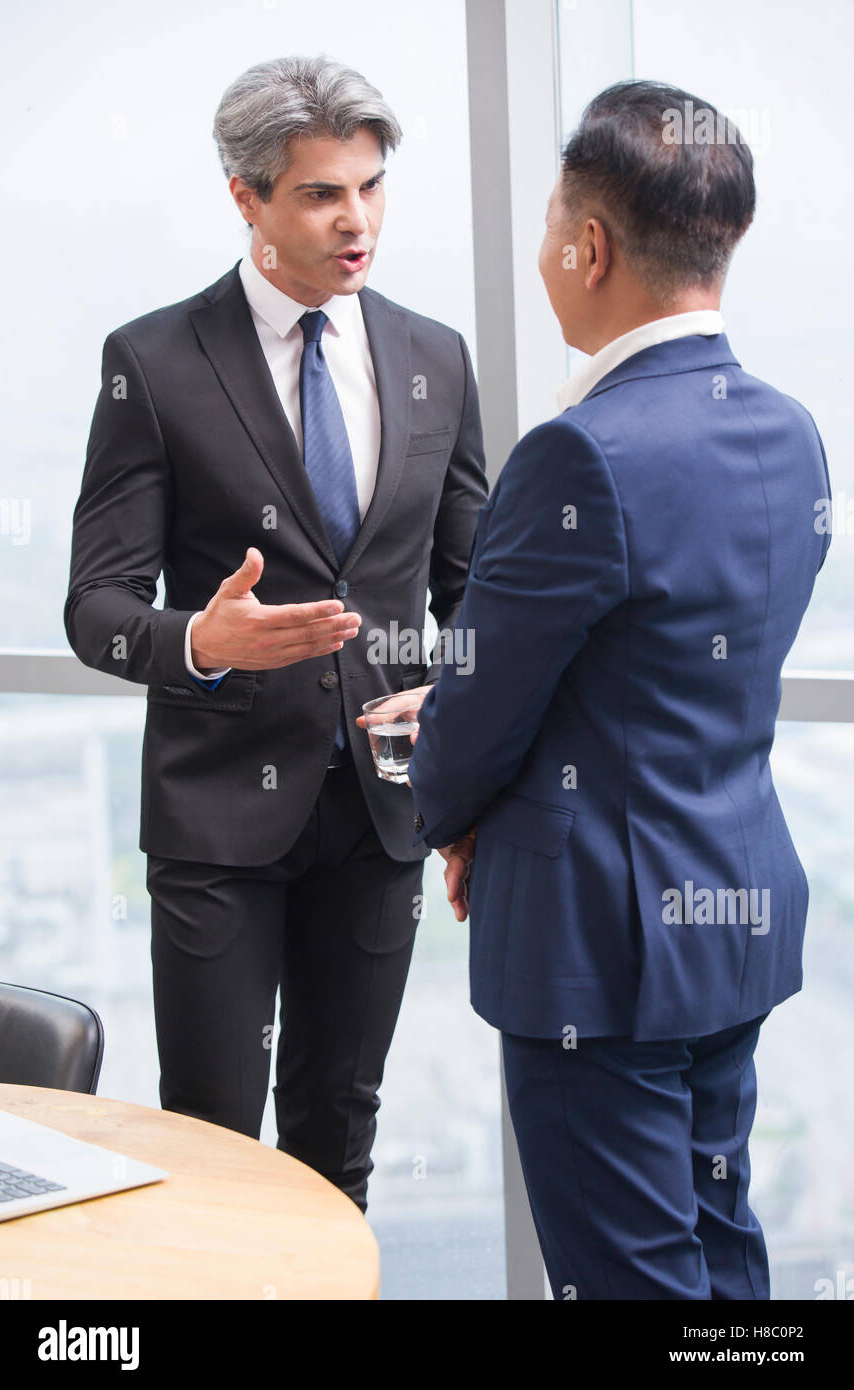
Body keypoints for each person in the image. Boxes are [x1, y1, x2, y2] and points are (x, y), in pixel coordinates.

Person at [406, 80, 831, 1297]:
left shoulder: (579, 450)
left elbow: (478, 710)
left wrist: (455, 807)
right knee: (718, 1251)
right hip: (729, 912)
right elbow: (657, 675)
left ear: (588, 247)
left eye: (551, 224)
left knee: (630, 1283)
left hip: (600, 941)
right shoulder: (789, 429)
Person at [64, 55, 487, 1212]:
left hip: (380, 811)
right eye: (318, 194)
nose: (356, 220)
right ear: (246, 198)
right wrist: (202, 642)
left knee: (337, 1138)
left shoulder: (432, 358)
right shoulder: (151, 362)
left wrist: (454, 703)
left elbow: (480, 590)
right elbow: (93, 609)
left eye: (370, 185)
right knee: (210, 1146)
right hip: (216, 825)